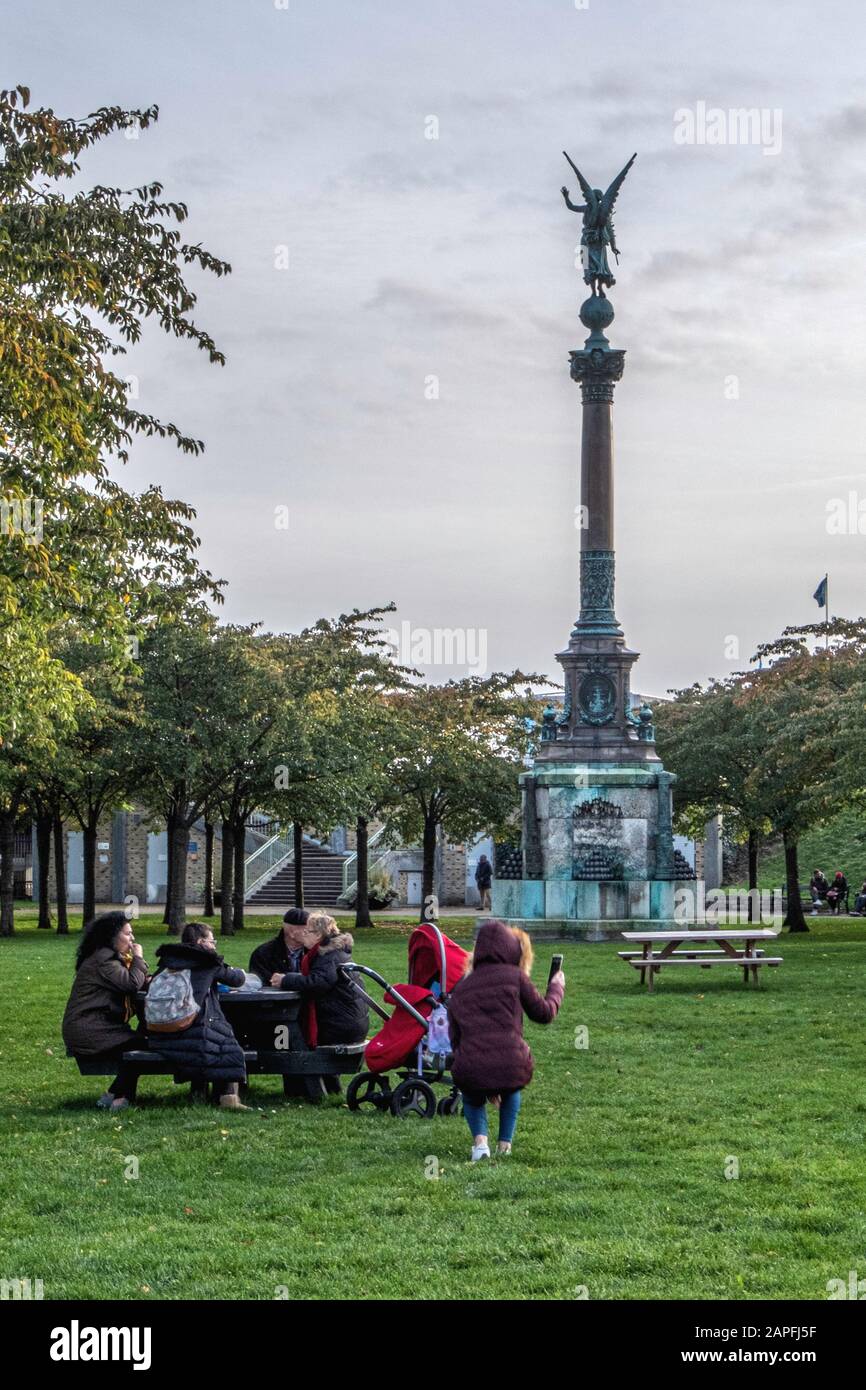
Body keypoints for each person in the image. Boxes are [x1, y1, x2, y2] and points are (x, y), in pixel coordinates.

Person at [447, 920, 564, 1162]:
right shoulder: (515, 977)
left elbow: (455, 1039)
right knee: (512, 1088)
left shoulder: (462, 987)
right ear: (511, 948)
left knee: (471, 1096)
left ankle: (480, 1145)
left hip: (470, 1064)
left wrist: (474, 1071)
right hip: (511, 1063)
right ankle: (505, 1145)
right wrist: (556, 988)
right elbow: (543, 1014)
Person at [148, 923, 249, 1110]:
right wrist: (239, 971)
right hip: (193, 1031)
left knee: (214, 1037)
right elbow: (236, 979)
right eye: (212, 941)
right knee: (227, 1045)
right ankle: (228, 1098)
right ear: (201, 942)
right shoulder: (207, 961)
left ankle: (199, 1094)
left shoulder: (167, 960)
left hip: (162, 1034)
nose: (214, 946)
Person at [62, 911, 150, 1112]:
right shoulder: (104, 961)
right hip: (89, 1030)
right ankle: (121, 1098)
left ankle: (114, 1095)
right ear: (112, 936)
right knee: (141, 1045)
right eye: (128, 934)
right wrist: (138, 958)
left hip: (96, 1026)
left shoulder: (106, 958)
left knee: (139, 1043)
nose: (132, 939)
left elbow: (130, 981)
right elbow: (130, 984)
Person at [280, 911, 369, 1047]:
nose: (303, 935)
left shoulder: (328, 956)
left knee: (291, 1036)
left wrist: (285, 980)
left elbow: (317, 983)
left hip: (340, 1028)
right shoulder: (334, 951)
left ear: (318, 935)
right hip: (350, 1023)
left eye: (306, 932)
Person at [248, 907, 310, 987]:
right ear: (292, 933)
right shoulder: (264, 954)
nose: (312, 934)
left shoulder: (317, 952)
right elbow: (261, 984)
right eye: (307, 931)